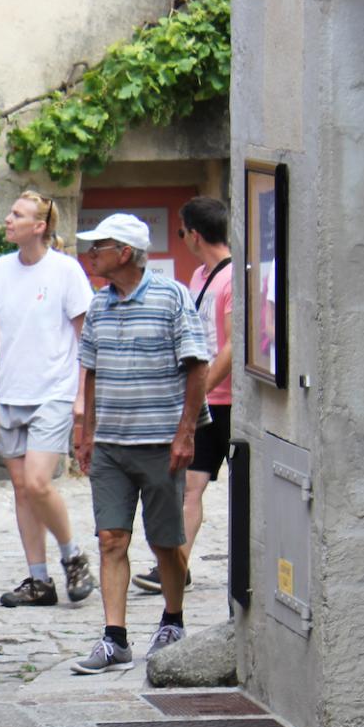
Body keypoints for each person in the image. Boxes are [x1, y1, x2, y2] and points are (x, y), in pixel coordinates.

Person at [68, 214, 211, 674]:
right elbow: (91, 371)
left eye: (99, 247)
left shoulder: (172, 297)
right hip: (111, 444)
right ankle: (114, 638)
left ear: (125, 253)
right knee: (111, 538)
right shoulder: (99, 305)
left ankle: (173, 621)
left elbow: (197, 365)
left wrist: (186, 432)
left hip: (160, 442)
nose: (91, 255)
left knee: (165, 541)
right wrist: (86, 433)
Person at [0, 192, 96, 610]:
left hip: (53, 392)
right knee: (22, 489)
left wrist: (81, 395)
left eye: (18, 214)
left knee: (38, 482)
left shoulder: (65, 270)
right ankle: (39, 579)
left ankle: (73, 556)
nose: (8, 219)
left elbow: (86, 338)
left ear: (40, 226)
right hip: (8, 391)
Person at [135, 197, 232, 595]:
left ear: (194, 235)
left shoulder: (231, 279)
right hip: (206, 400)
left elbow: (233, 345)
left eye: (182, 232)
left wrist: (200, 389)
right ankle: (178, 566)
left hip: (226, 400)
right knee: (192, 485)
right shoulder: (198, 276)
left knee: (225, 488)